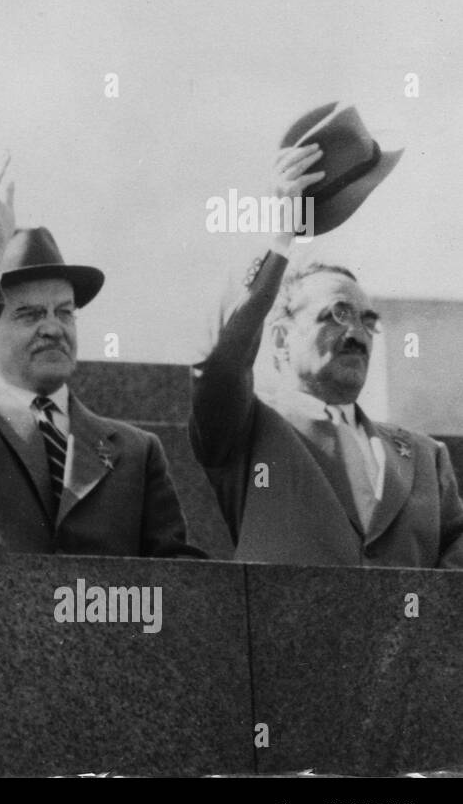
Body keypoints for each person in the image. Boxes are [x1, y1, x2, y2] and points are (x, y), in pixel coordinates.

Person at [190, 105, 463, 567]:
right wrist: (278, 235)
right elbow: (221, 362)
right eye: (336, 314)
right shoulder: (245, 430)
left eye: (366, 319)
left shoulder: (423, 456)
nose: (356, 332)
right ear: (279, 339)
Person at [0, 157, 192, 556]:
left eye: (64, 312)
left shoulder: (137, 451)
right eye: (30, 314)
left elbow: (181, 583)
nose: (54, 327)